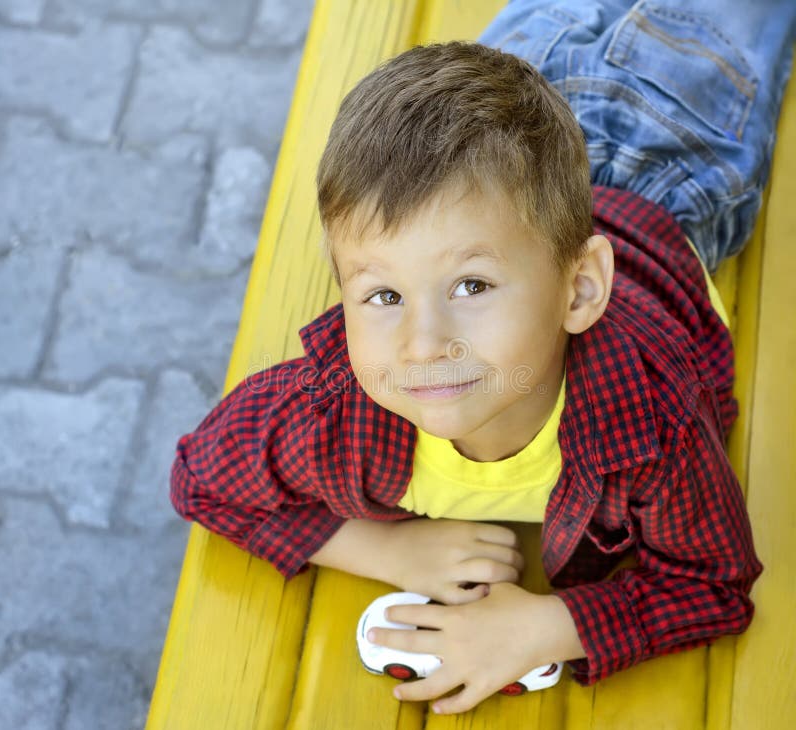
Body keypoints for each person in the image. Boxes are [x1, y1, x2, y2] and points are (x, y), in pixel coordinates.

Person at [170, 0, 796, 716]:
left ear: (580, 289)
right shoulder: (331, 410)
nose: (424, 343)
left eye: (471, 285)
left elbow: (712, 582)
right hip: (521, 106)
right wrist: (384, 552)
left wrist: (547, 628)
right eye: (384, 294)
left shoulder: (650, 414)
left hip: (667, 128)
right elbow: (203, 477)